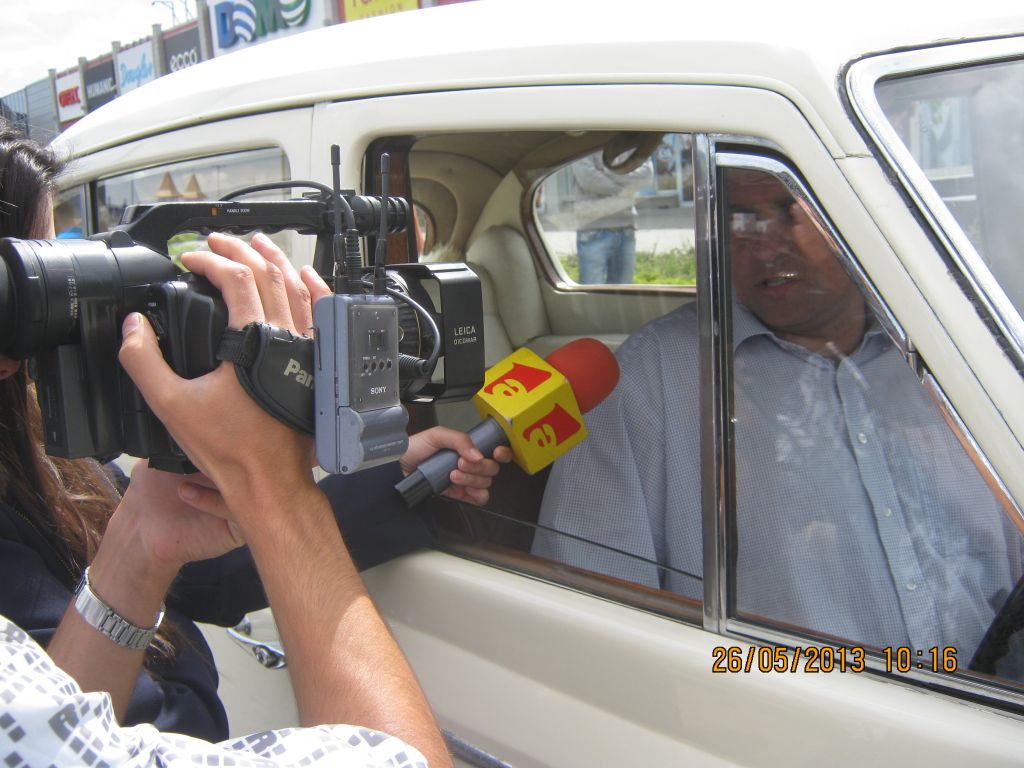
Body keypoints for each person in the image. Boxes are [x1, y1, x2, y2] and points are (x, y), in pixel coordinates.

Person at [0, 120, 506, 744]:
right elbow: (392, 756)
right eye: (32, 266)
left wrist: (391, 476)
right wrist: (275, 489)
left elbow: (195, 561)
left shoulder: (32, 440)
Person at [536, 167, 1024, 665]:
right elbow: (593, 609)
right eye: (739, 219)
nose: (765, 248)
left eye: (791, 213)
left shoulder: (962, 353)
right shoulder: (650, 377)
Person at [571, 150, 653, 284]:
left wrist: (607, 172)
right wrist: (623, 189)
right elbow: (587, 179)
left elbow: (646, 175)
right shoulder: (584, 140)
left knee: (623, 297)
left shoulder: (632, 141)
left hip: (626, 230)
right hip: (593, 230)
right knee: (592, 298)